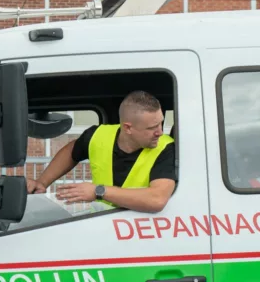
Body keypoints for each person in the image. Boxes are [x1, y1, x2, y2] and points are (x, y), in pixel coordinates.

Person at [26, 91, 176, 213]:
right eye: (152, 128)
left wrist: (99, 191)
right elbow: (72, 151)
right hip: (102, 227)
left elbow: (157, 199)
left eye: (160, 123)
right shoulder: (97, 136)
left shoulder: (166, 147)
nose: (160, 132)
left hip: (139, 233)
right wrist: (42, 182)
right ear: (128, 128)